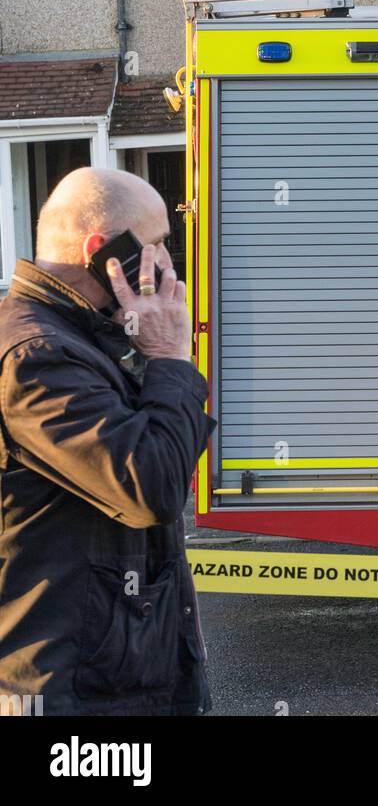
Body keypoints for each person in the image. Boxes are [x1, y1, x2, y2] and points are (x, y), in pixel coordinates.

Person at [0, 167, 216, 716]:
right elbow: (151, 486)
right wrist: (169, 359)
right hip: (76, 697)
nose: (169, 264)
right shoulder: (38, 357)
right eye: (160, 244)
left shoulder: (79, 339)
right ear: (104, 253)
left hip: (114, 684)